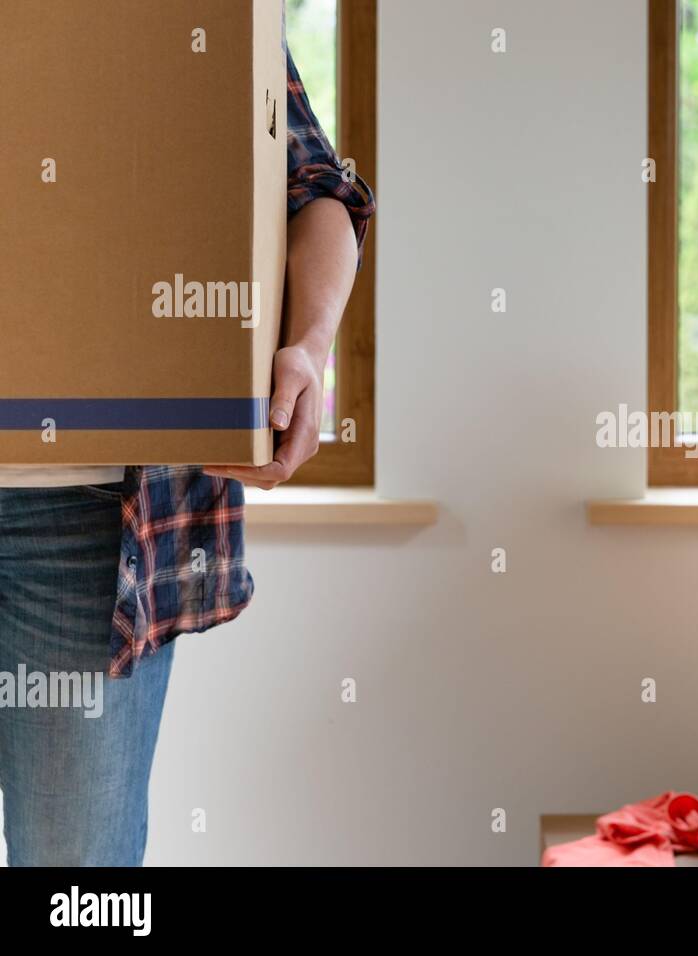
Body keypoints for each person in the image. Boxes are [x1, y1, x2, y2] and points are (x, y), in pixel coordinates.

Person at [0, 49, 375, 866]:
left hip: (88, 522)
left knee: (77, 876)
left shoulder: (183, 25)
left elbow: (319, 192)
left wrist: (309, 348)